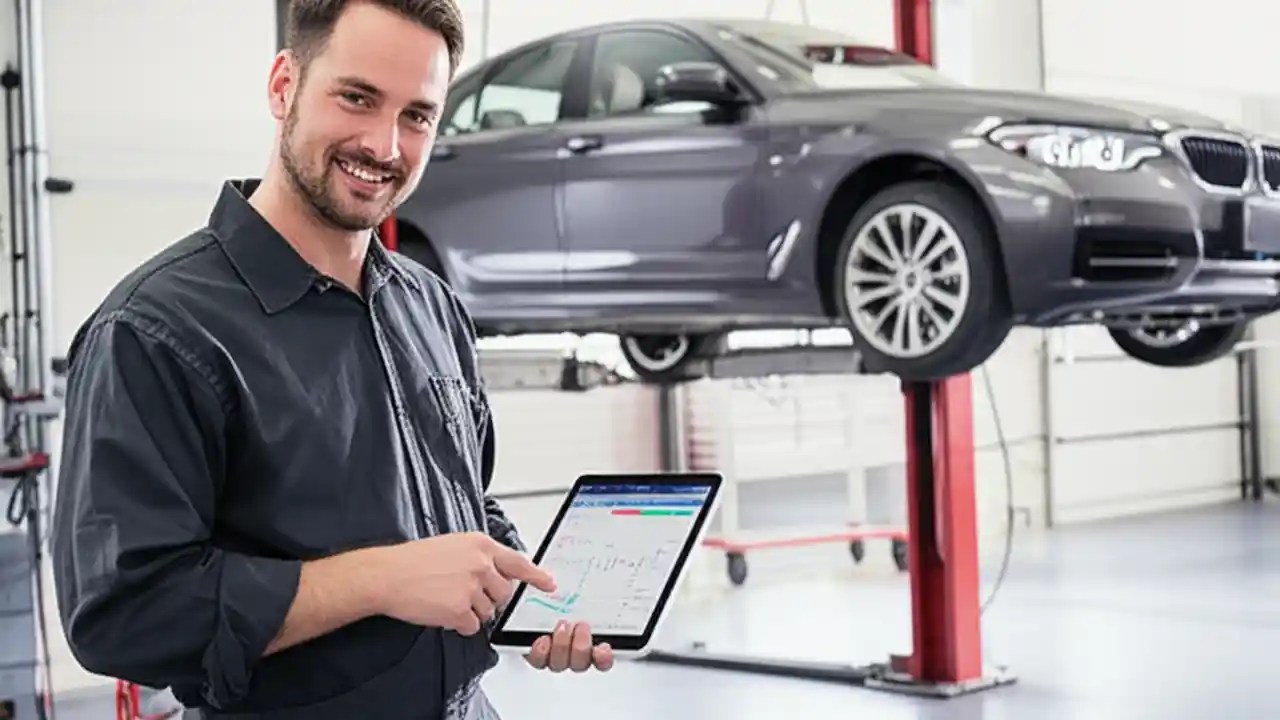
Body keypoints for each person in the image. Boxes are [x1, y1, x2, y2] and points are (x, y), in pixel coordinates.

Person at [49, 1, 613, 718]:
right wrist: (377, 579)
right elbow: (120, 615)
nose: (384, 144)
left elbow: (464, 500)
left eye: (417, 115)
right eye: (357, 98)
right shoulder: (155, 330)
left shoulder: (430, 305)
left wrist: (525, 589)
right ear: (284, 85)